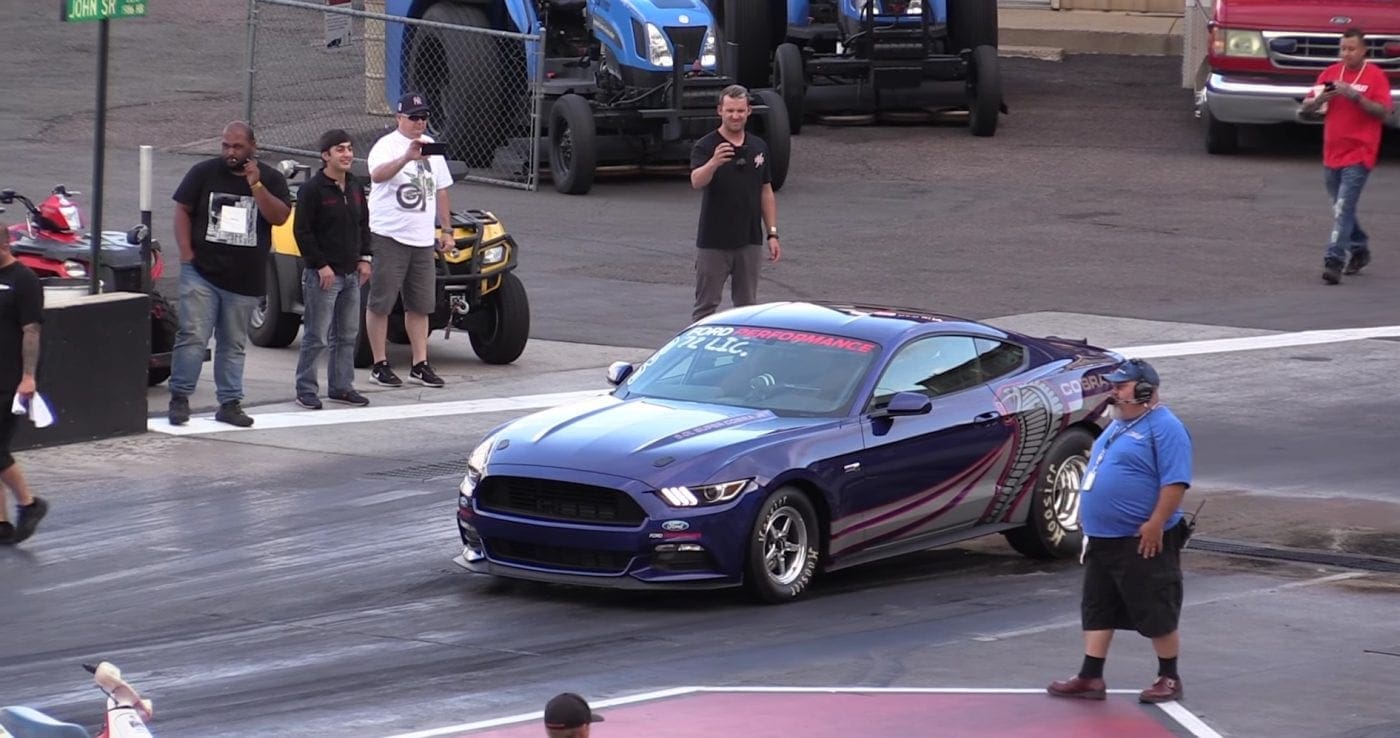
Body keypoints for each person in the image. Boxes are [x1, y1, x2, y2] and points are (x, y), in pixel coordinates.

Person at [1047, 358, 1194, 704]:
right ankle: (1090, 676)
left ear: (1145, 390)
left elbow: (1175, 482)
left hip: (1141, 537)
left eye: (1120, 386)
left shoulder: (1165, 428)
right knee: (1098, 605)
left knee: (1156, 605)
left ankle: (1169, 676)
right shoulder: (1118, 423)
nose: (1113, 391)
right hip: (1103, 537)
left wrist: (1156, 523)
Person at [167, 121, 292, 427]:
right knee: (193, 335)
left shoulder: (271, 179)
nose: (230, 152)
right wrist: (186, 252)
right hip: (201, 272)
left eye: (237, 146)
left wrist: (256, 185)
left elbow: (279, 217)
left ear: (253, 147)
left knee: (233, 343)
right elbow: (182, 209)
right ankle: (180, 397)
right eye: (225, 146)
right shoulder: (204, 173)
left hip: (244, 280)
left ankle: (230, 403)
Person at [364, 92, 454, 388]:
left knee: (420, 304)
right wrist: (406, 157)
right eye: (413, 117)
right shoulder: (386, 146)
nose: (419, 123)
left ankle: (420, 363)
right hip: (390, 234)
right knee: (382, 302)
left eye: (424, 117)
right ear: (399, 118)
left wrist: (446, 230)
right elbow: (376, 175)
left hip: (421, 238)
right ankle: (379, 363)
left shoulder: (432, 148)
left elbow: (441, 190)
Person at [1299, 28, 1393, 285]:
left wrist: (1355, 96)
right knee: (1341, 209)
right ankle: (1359, 248)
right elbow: (1306, 109)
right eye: (1343, 49)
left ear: (1364, 51)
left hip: (1360, 153)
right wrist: (1318, 101)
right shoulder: (1330, 73)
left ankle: (1334, 261)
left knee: (1343, 207)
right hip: (1332, 153)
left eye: (1351, 49)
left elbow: (1384, 112)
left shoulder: (1375, 76)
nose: (1346, 54)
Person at [292, 129, 373, 410]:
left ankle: (341, 386)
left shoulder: (354, 186)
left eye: (349, 148)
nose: (348, 154)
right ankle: (306, 389)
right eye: (340, 149)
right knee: (316, 336)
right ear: (325, 155)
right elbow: (302, 232)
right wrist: (320, 265)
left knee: (347, 334)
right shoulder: (312, 190)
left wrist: (365, 258)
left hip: (351, 273)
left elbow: (364, 224)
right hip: (323, 276)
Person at [689, 84, 781, 322]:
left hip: (749, 241)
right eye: (730, 110)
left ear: (749, 111)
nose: (735, 116)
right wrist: (713, 162)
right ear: (720, 110)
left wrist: (772, 233)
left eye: (740, 111)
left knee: (747, 308)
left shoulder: (759, 146)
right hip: (713, 241)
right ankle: (701, 354)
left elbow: (766, 190)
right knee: (706, 306)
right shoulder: (706, 145)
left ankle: (744, 354)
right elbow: (696, 181)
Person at [0, 224, 48, 544]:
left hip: (9, 380)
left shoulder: (24, 280)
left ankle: (29, 504)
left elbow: (31, 330)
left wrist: (28, 377)